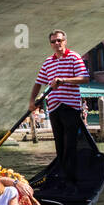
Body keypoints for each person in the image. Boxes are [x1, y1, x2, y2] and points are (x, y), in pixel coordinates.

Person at [28, 30, 89, 186]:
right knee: (60, 145)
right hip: (54, 107)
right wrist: (32, 101)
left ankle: (72, 178)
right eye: (53, 41)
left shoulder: (74, 57)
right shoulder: (48, 61)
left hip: (70, 106)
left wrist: (64, 80)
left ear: (65, 41)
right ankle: (64, 176)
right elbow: (38, 82)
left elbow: (84, 78)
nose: (56, 44)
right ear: (51, 44)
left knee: (70, 144)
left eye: (59, 40)